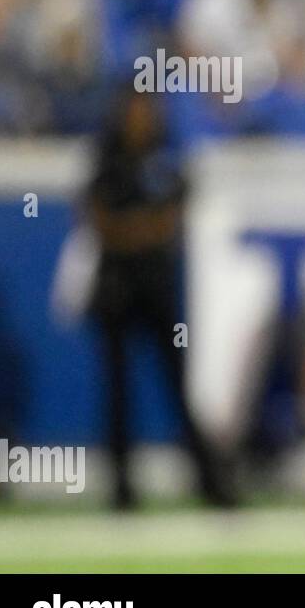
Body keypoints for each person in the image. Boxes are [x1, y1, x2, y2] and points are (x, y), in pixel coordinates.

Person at [87, 91, 233, 510]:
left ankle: (209, 482)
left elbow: (170, 220)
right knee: (116, 393)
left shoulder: (166, 159)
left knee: (177, 388)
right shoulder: (107, 160)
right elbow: (101, 222)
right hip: (116, 289)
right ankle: (120, 490)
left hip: (156, 289)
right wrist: (143, 230)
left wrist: (131, 230)